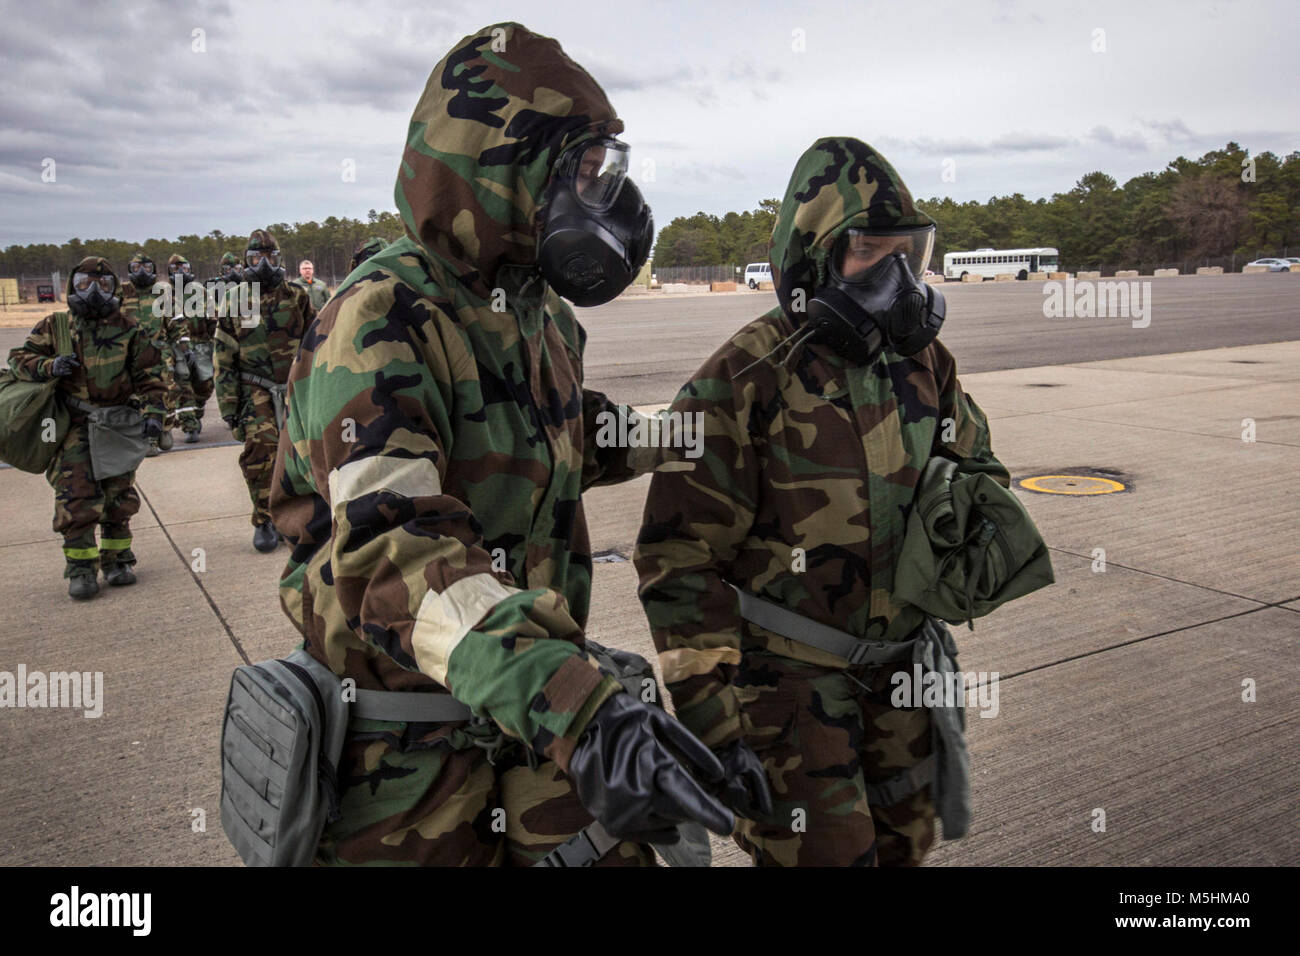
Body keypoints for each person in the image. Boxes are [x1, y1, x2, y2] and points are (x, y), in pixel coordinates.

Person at [268, 22, 731, 867]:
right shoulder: (378, 318)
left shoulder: (535, 315)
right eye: (583, 174)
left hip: (531, 719)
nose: (603, 200)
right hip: (412, 761)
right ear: (500, 171)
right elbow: (393, 551)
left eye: (605, 175)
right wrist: (578, 709)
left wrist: (686, 432)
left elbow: (562, 434)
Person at [634, 137, 1011, 866]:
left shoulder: (925, 361)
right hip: (789, 691)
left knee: (907, 845)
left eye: (912, 252)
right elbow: (677, 560)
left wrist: (971, 533)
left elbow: (976, 467)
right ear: (814, 258)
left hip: (901, 674)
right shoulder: (745, 376)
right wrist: (718, 725)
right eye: (870, 251)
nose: (897, 275)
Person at [7, 257, 166, 599]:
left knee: (118, 496)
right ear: (71, 287)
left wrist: (154, 414)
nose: (93, 292)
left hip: (117, 423)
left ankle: (118, 560)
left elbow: (150, 377)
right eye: (84, 284)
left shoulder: (130, 329)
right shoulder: (55, 326)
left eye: (103, 285)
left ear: (114, 288)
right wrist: (50, 366)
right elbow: (18, 359)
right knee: (76, 498)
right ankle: (80, 569)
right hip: (72, 425)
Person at [214, 229, 313, 552]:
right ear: (247, 261)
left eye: (270, 258)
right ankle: (265, 519)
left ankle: (303, 516)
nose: (264, 264)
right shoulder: (234, 300)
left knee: (303, 453)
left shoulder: (297, 297)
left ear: (280, 260)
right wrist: (230, 409)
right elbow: (224, 358)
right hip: (254, 390)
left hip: (296, 388)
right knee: (260, 453)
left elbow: (316, 345)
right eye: (257, 259)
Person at [119, 251, 182, 456]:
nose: (142, 272)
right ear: (130, 271)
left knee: (168, 390)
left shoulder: (162, 294)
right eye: (137, 268)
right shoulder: (122, 294)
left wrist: (183, 351)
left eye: (147, 268)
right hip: (132, 352)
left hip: (159, 350)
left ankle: (166, 427)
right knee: (138, 395)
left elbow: (175, 324)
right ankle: (149, 438)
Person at [165, 254, 216, 443]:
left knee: (205, 384)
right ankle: (190, 426)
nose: (181, 272)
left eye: (184, 268)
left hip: (201, 344)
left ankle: (198, 409)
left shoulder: (200, 291)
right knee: (182, 385)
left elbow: (212, 316)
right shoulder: (165, 294)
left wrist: (214, 339)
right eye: (176, 269)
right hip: (177, 347)